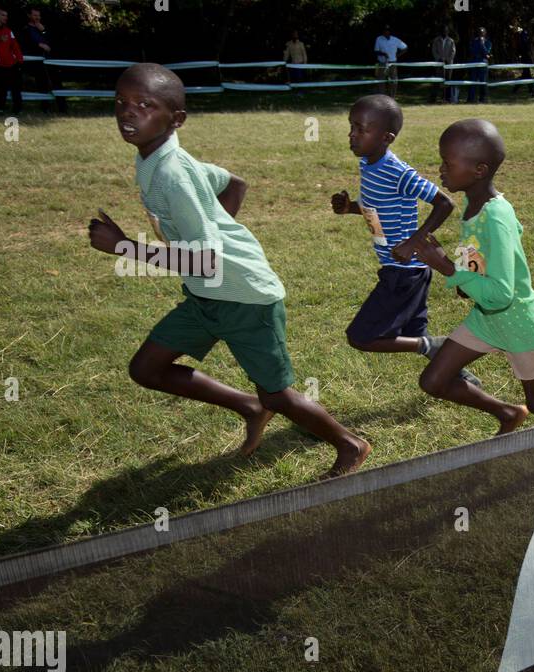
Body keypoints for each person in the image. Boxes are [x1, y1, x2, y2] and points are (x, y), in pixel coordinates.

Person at [88, 64, 370, 478]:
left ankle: (351, 445)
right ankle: (247, 407)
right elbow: (234, 183)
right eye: (121, 103)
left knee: (278, 394)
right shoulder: (158, 157)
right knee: (146, 369)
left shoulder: (172, 172)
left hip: (244, 297)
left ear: (176, 119)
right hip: (207, 295)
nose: (128, 113)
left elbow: (207, 260)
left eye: (145, 105)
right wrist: (219, 227)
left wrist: (124, 247)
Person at [413, 119, 534, 438]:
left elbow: (501, 293)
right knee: (433, 381)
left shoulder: (496, 215)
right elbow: (477, 256)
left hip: (519, 323)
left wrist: (447, 267)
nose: (440, 169)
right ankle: (507, 412)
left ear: (479, 170)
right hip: (486, 320)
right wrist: (461, 275)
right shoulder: (474, 204)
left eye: (448, 163)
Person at [330, 94, 478, 388]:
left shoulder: (397, 171)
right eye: (351, 126)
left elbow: (444, 203)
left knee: (361, 337)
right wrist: (351, 208)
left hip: (404, 271)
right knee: (414, 331)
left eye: (361, 129)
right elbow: (378, 208)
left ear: (387, 137)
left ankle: (434, 346)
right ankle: (460, 378)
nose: (352, 134)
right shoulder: (368, 164)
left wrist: (413, 242)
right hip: (403, 270)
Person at [17, 7, 65, 111]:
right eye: (35, 15)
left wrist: (43, 31)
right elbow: (25, 44)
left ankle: (62, 108)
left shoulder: (43, 28)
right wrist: (39, 45)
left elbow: (52, 42)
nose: (37, 17)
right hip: (36, 62)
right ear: (29, 16)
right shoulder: (25, 29)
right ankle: (45, 108)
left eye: (38, 15)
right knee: (42, 85)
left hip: (49, 60)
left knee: (57, 83)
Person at [374, 24, 405, 92]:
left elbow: (405, 48)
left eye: (388, 30)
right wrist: (383, 54)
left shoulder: (395, 39)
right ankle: (381, 97)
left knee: (394, 81)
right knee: (381, 81)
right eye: (385, 30)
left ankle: (392, 97)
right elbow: (376, 51)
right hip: (382, 63)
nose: (386, 32)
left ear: (390, 31)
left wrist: (397, 55)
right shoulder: (379, 39)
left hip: (393, 63)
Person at [432, 26, 457, 103]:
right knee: (437, 81)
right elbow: (434, 50)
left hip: (448, 64)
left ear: (448, 32)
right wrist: (439, 58)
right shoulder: (436, 40)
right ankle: (434, 98)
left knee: (448, 81)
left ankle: (447, 98)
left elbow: (453, 51)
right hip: (438, 64)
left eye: (446, 31)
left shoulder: (451, 40)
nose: (444, 32)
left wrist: (447, 60)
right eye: (443, 30)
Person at [469, 27, 491, 103]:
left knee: (483, 82)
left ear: (485, 33)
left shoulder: (488, 42)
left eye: (482, 33)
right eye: (479, 33)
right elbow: (472, 51)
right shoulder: (473, 41)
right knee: (472, 82)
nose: (480, 34)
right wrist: (482, 54)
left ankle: (483, 99)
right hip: (474, 63)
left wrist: (481, 44)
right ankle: (471, 99)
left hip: (483, 64)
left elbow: (487, 53)